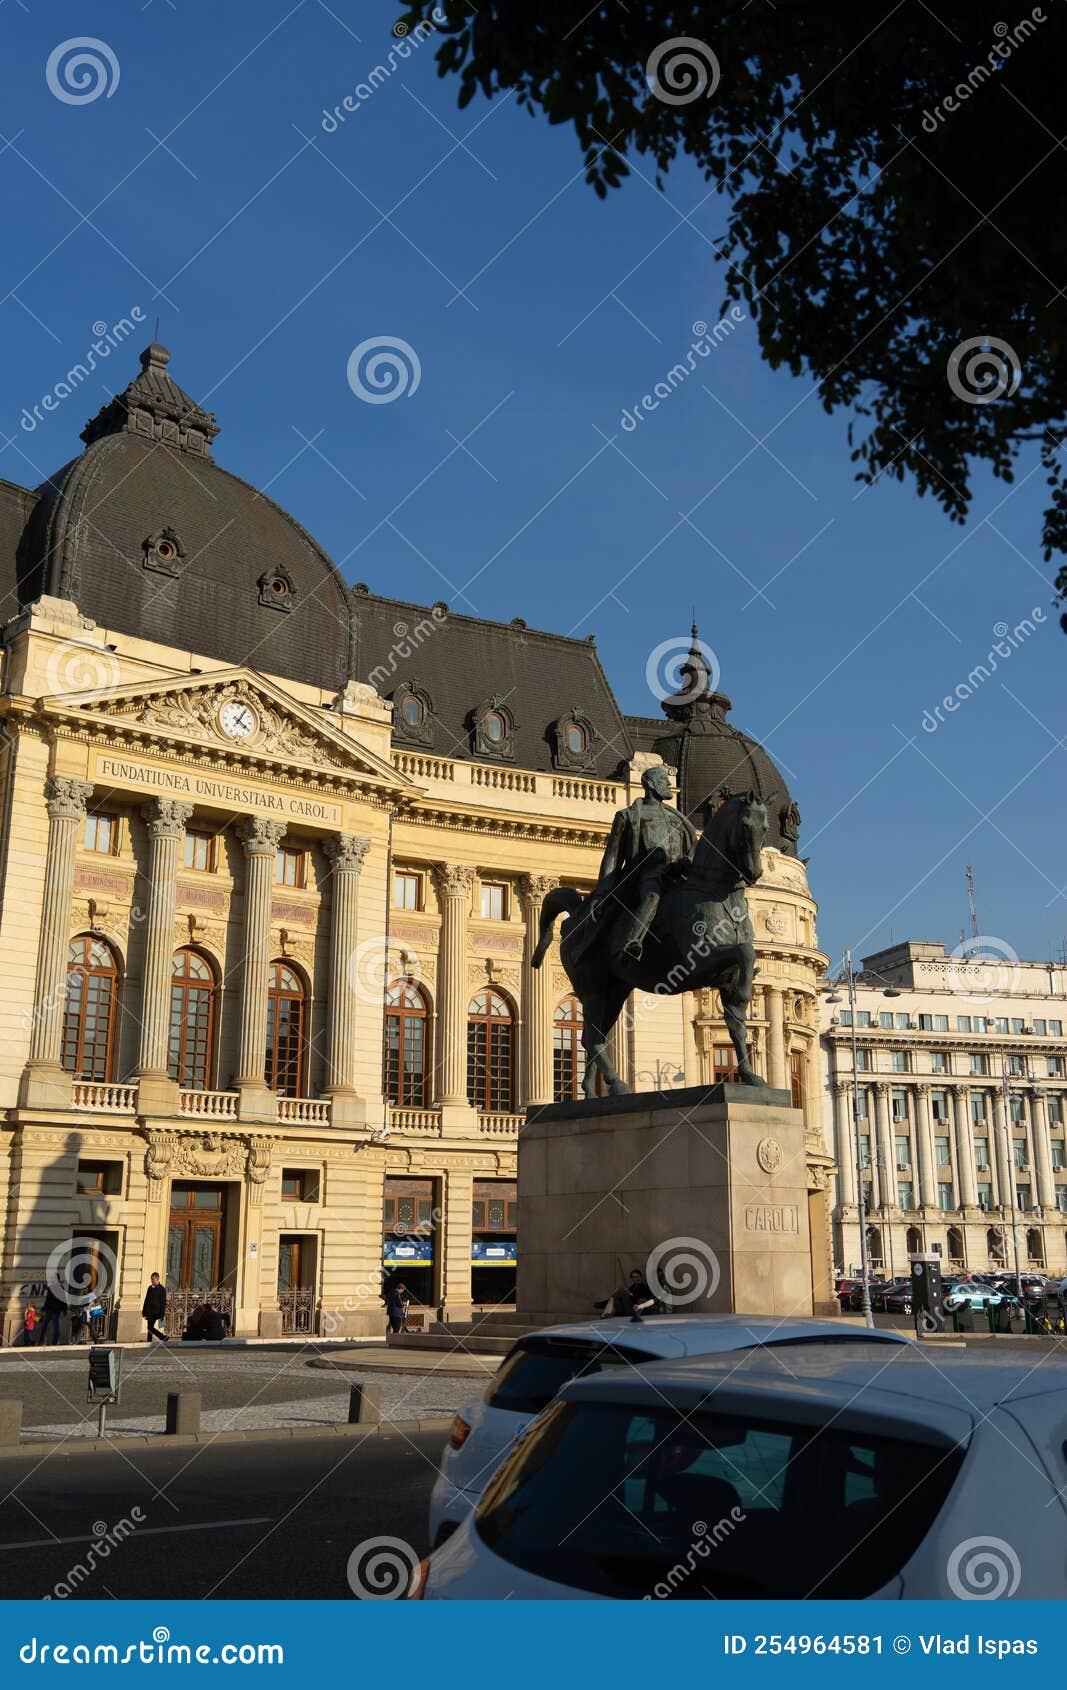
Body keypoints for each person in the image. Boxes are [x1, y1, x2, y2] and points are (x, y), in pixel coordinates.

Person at [590, 764, 696, 962]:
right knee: (653, 897)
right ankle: (633, 940)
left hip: (678, 875)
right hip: (647, 875)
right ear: (650, 784)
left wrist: (687, 862)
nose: (668, 784)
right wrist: (602, 893)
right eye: (663, 781)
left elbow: (690, 850)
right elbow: (613, 857)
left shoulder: (677, 818)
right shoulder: (628, 816)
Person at [142, 1273, 168, 1342]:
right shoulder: (150, 1288)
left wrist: (162, 1313)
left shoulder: (162, 1289)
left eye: (153, 1279)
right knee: (149, 1327)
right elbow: (146, 1300)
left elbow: (163, 1302)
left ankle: (162, 1337)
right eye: (151, 1279)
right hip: (149, 1311)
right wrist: (144, 1311)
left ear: (157, 1279)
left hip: (156, 1312)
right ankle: (150, 1341)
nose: (152, 1281)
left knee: (150, 1327)